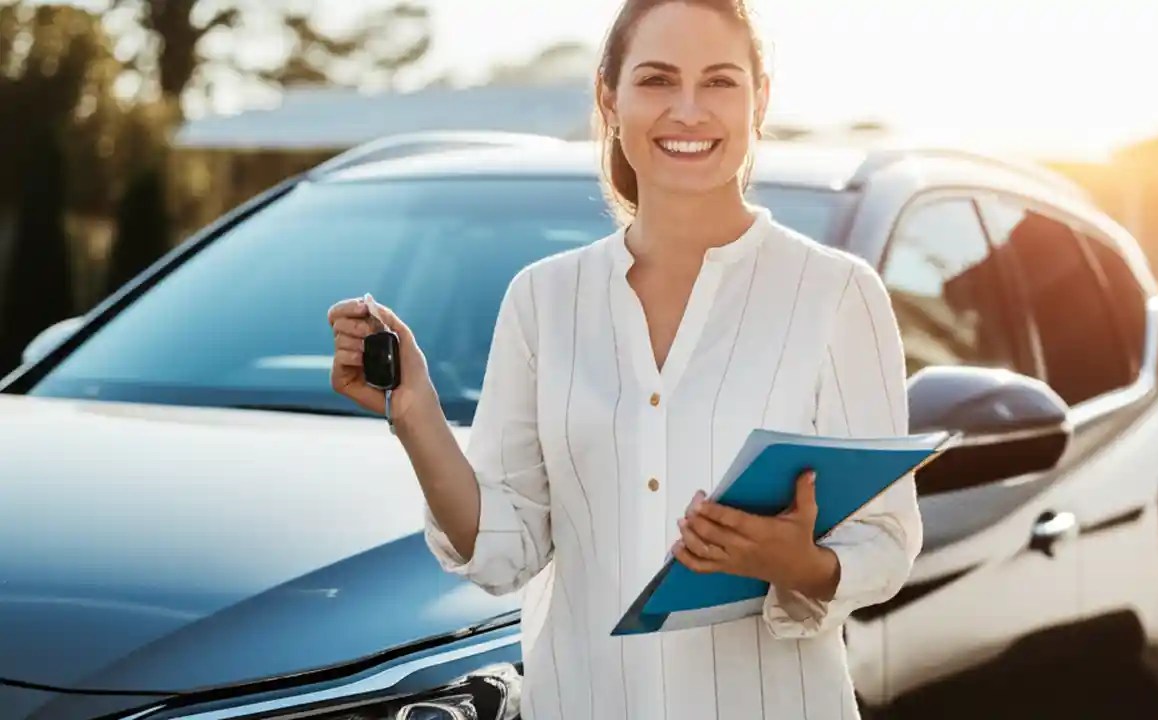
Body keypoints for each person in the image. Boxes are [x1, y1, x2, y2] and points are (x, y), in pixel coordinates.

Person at [327, 0, 923, 717]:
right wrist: (416, 413)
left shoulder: (836, 293)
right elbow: (501, 551)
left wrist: (797, 564)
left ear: (760, 100)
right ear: (610, 98)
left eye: (721, 82)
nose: (689, 110)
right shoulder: (544, 299)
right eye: (658, 80)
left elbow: (886, 543)